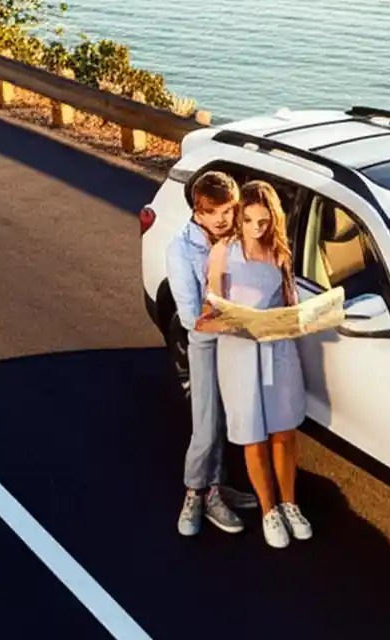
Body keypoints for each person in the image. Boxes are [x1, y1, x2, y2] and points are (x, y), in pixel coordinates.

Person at [199, 180, 312, 549]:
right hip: (240, 354)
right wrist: (230, 322)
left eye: (263, 221)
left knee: (283, 432)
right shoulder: (222, 254)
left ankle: (290, 504)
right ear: (240, 218)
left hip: (277, 351)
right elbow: (208, 314)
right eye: (249, 220)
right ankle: (268, 510)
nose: (256, 228)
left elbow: (290, 306)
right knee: (254, 435)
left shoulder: (280, 254)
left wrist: (301, 319)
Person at [165, 170, 259, 537]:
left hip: (238, 339)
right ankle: (194, 494)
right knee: (205, 425)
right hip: (206, 342)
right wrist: (236, 316)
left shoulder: (238, 239)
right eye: (213, 212)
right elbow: (191, 316)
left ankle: (217, 490)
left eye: (229, 210)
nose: (223, 219)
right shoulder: (181, 249)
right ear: (197, 212)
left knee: (228, 420)